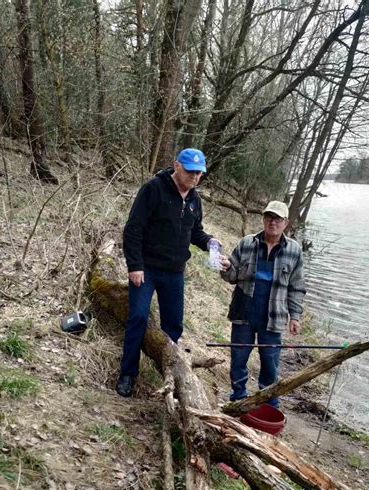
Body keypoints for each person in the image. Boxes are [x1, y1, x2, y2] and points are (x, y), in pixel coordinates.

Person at [116, 148, 218, 397]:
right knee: (138, 318)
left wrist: (212, 245)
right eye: (191, 171)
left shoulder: (195, 200)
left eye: (199, 173)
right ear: (177, 166)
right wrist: (135, 266)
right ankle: (128, 374)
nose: (195, 177)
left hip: (174, 273)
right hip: (147, 269)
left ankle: (167, 373)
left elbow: (195, 232)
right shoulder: (154, 189)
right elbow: (133, 229)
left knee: (173, 326)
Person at [219, 201, 306, 406]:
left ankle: (269, 404)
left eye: (277, 219)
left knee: (270, 363)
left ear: (286, 223)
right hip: (244, 312)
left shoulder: (294, 250)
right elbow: (231, 277)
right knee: (238, 359)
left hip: (274, 316)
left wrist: (295, 316)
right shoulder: (246, 243)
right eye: (268, 217)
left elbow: (296, 287)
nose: (272, 222)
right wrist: (225, 267)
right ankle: (238, 399)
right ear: (263, 219)